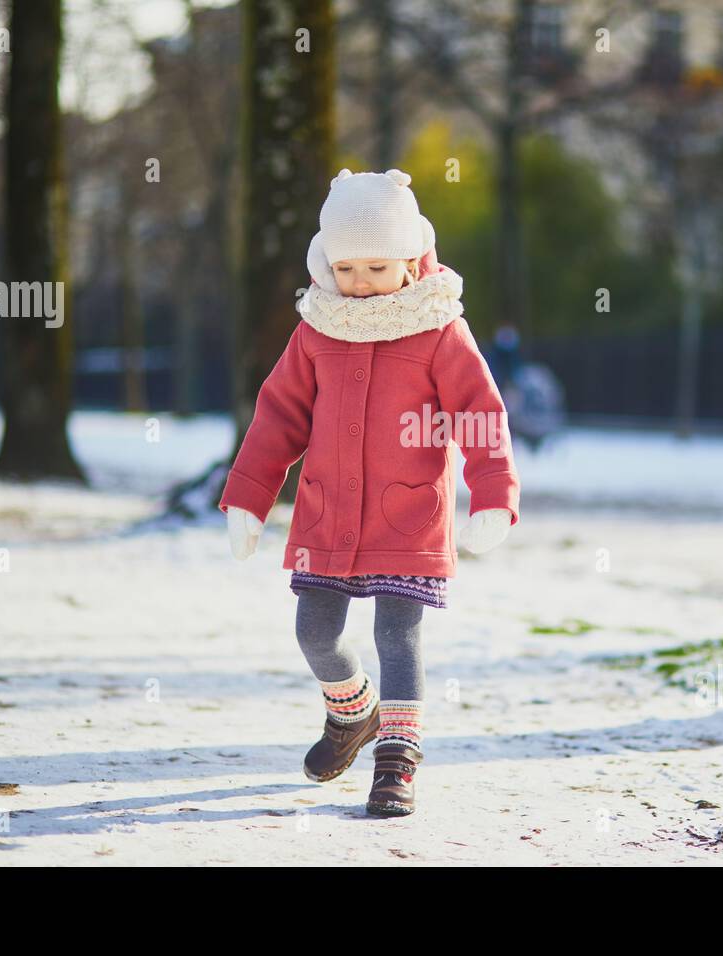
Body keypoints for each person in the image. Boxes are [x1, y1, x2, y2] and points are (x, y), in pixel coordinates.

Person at [219, 168, 521, 816]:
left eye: (377, 268)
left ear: (410, 259)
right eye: (347, 268)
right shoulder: (318, 329)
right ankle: (353, 711)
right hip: (329, 516)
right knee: (315, 631)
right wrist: (249, 495)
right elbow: (279, 415)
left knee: (397, 635)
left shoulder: (438, 327)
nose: (361, 284)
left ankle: (396, 759)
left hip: (407, 515)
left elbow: (479, 413)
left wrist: (493, 495)